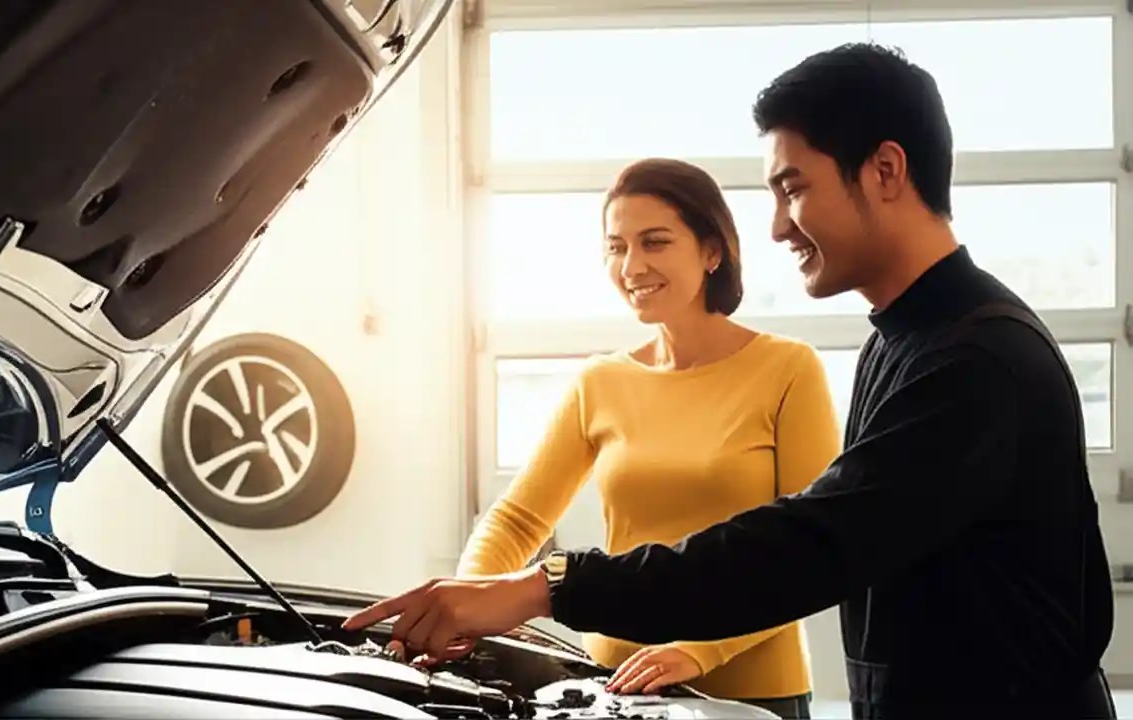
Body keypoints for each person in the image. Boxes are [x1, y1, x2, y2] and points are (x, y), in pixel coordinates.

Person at [344, 43, 1117, 720]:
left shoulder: (973, 360)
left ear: (885, 170)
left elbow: (803, 548)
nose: (778, 225)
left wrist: (547, 586)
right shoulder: (909, 339)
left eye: (794, 187)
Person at [455, 157, 840, 717]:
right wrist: (470, 606)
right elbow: (517, 521)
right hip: (613, 687)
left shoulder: (788, 369)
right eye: (617, 247)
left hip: (752, 693)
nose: (632, 265)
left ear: (713, 251)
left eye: (655, 242)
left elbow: (811, 554)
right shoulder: (600, 381)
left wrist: (698, 652)